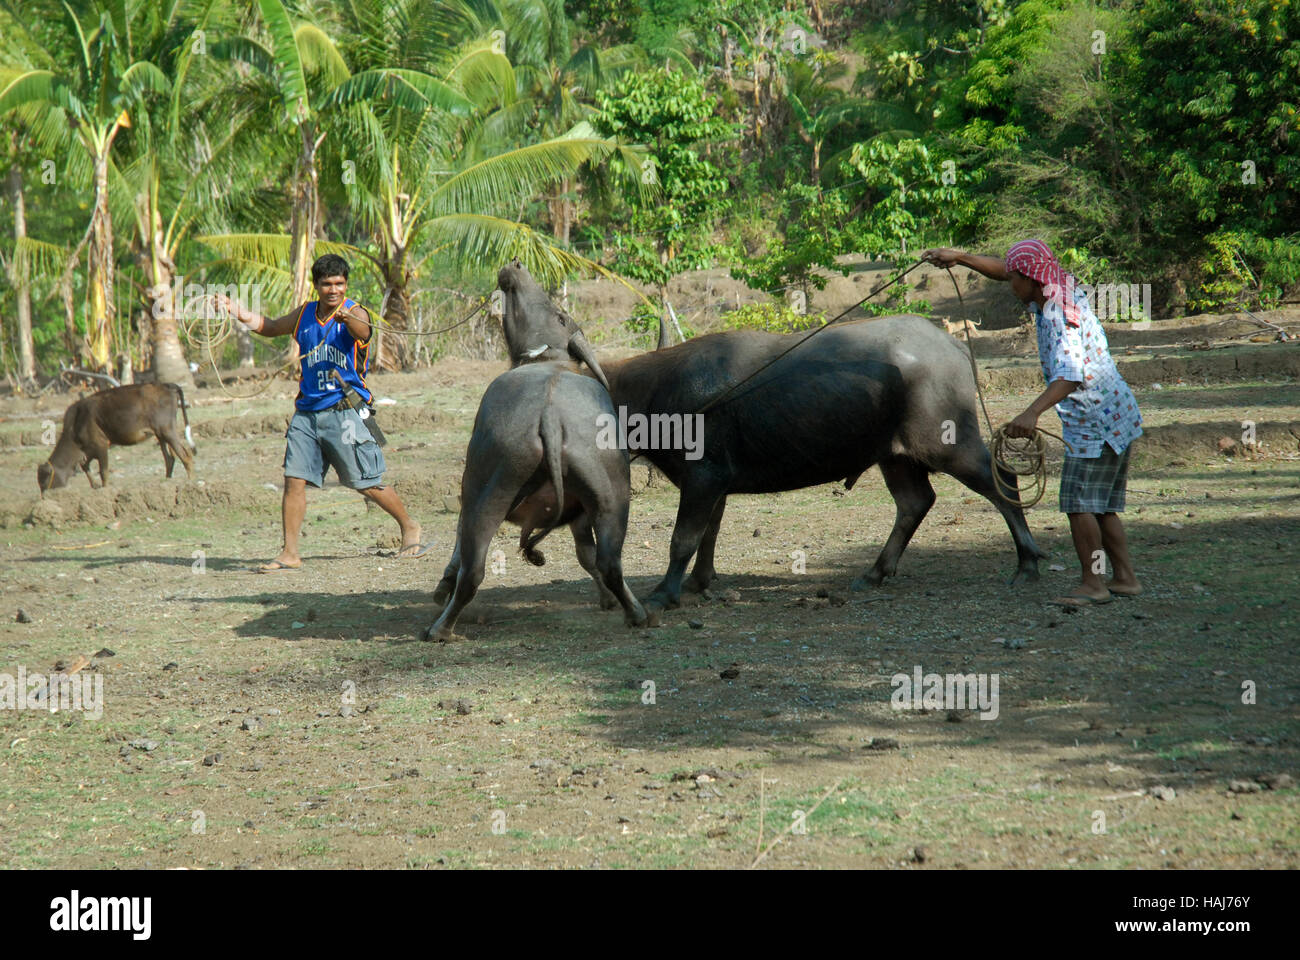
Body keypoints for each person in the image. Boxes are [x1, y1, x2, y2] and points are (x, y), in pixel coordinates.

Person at [922, 239, 1143, 606]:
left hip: (1093, 421)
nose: (1009, 285)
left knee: (1079, 505)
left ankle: (1093, 583)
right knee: (1101, 504)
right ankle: (1125, 578)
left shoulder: (1059, 315)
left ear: (1029, 279)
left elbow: (1070, 374)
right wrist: (959, 257)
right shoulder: (1057, 287)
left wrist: (1031, 412)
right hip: (1115, 413)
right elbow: (1006, 269)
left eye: (1014, 279)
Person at [215, 253, 426, 571]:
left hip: (347, 411)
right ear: (316, 286)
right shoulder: (304, 315)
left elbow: (363, 332)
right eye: (327, 284)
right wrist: (236, 311)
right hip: (307, 412)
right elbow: (270, 327)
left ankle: (409, 527)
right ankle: (290, 553)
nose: (333, 290)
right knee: (293, 481)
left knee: (365, 482)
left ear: (346, 284)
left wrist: (347, 320)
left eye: (339, 283)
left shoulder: (354, 312)